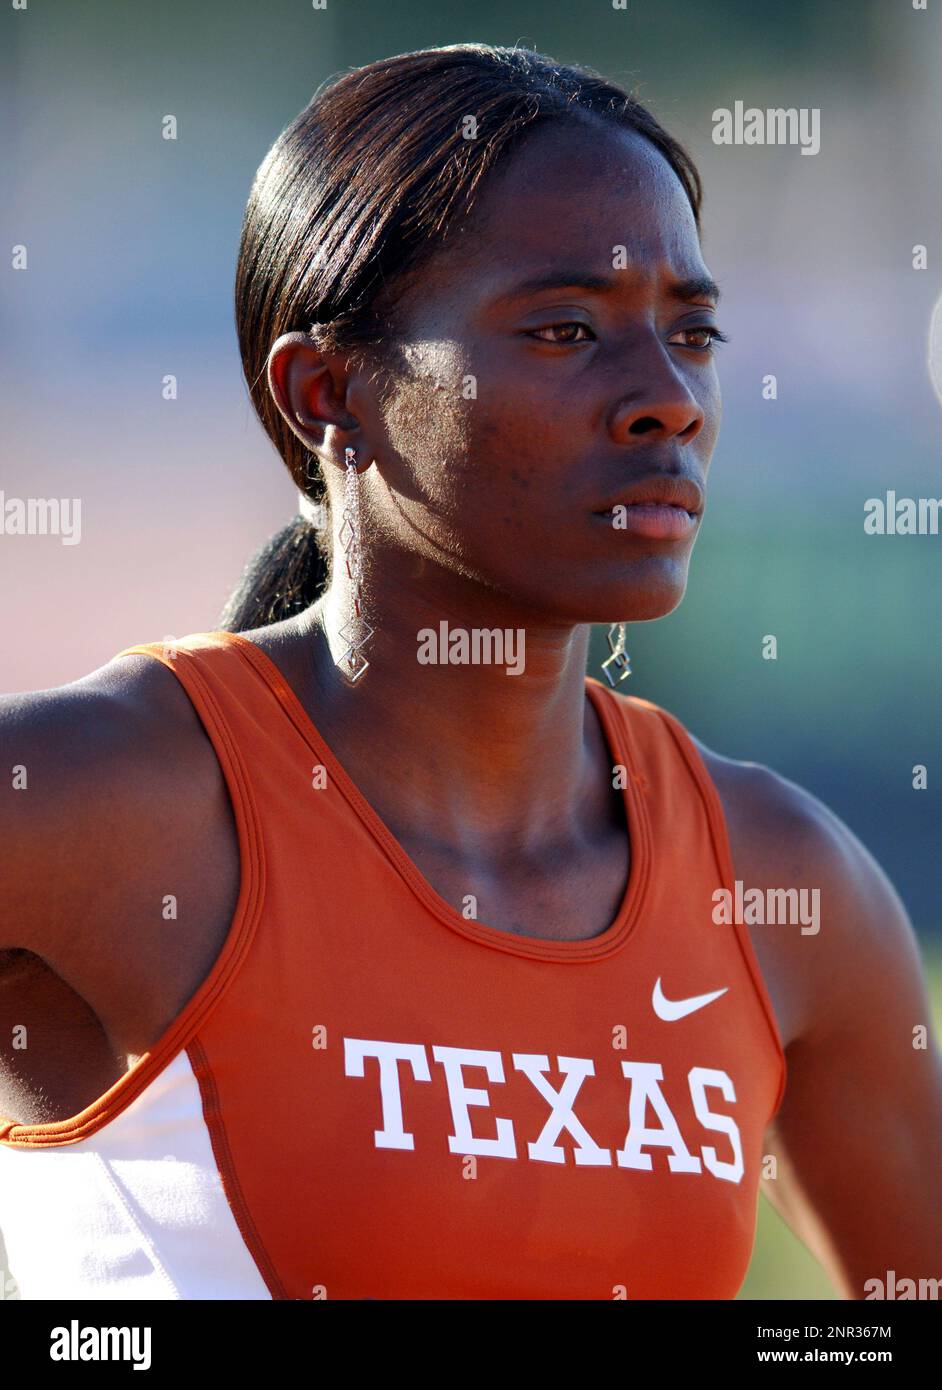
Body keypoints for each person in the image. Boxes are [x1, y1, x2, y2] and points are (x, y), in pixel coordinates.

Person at [1, 42, 939, 1302]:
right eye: (565, 330)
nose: (668, 399)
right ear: (327, 390)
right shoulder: (93, 803)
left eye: (694, 332)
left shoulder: (781, 880)